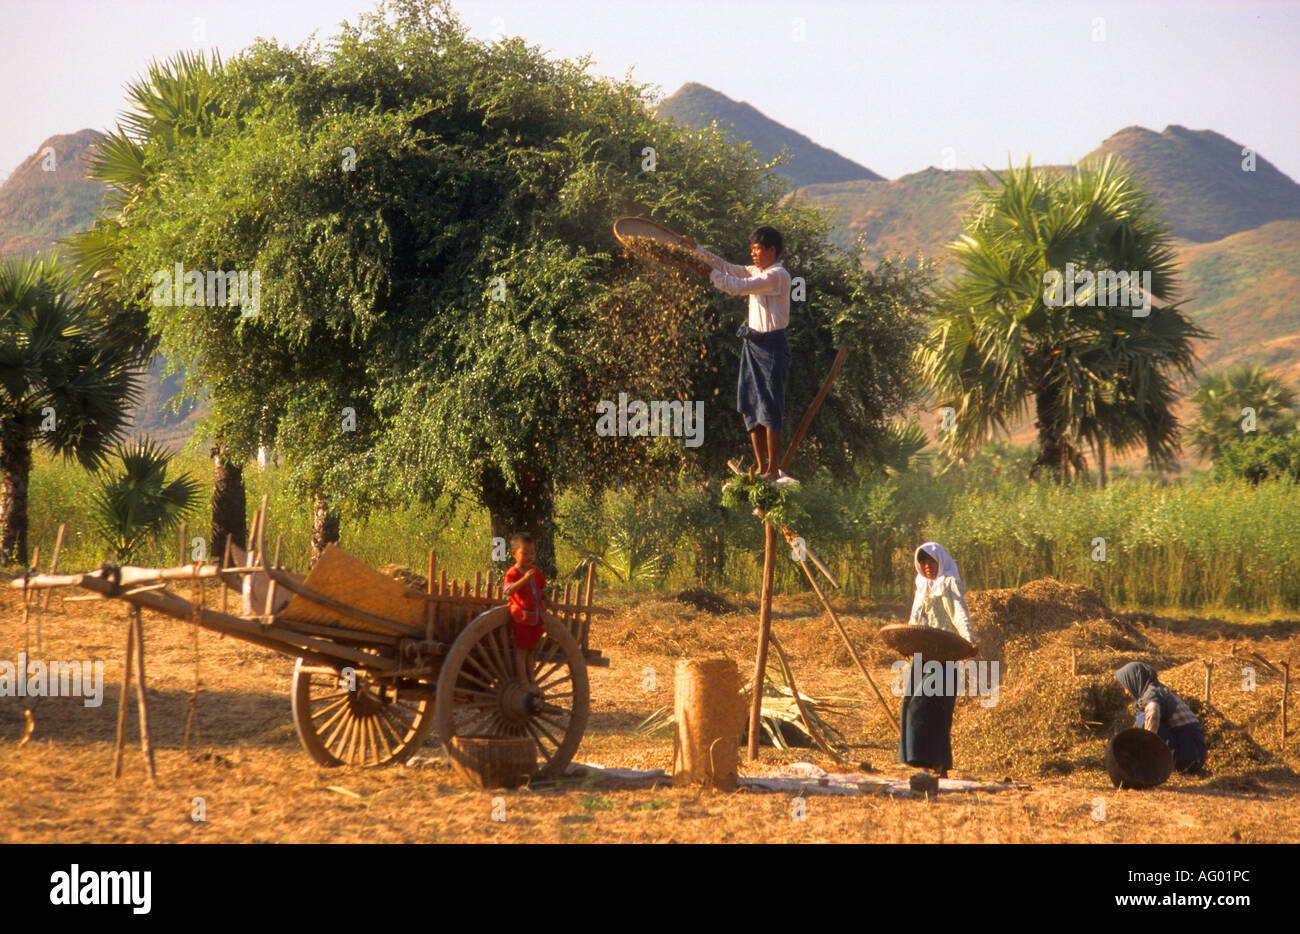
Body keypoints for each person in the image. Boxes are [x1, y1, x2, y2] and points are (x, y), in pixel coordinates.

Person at [681, 226, 797, 485]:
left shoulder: (778, 276)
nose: (752, 253)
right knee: (750, 405)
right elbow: (728, 268)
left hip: (772, 346)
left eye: (757, 249)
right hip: (752, 344)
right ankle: (760, 465)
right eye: (752, 249)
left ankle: (772, 469)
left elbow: (735, 286)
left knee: (769, 406)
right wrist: (696, 250)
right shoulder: (758, 271)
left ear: (771, 250)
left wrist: (708, 272)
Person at [899, 542, 978, 778]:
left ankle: (936, 761)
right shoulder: (921, 585)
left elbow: (959, 614)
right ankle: (922, 760)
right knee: (909, 701)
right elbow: (914, 618)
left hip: (943, 654)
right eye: (923, 562)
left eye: (931, 561)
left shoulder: (949, 583)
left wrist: (968, 641)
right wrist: (906, 643)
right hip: (922, 653)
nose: (927, 566)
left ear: (940, 561)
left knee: (927, 705)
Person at [1114, 661, 1208, 774]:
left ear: (1134, 681)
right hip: (1196, 752)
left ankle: (1168, 764)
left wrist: (1146, 746)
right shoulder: (1159, 690)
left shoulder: (1152, 695)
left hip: (1187, 754)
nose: (1125, 691)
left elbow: (1153, 713)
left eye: (1125, 686)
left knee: (1143, 717)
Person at [502, 532, 549, 697]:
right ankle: (523, 682)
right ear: (514, 554)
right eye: (525, 553)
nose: (529, 556)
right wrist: (524, 579)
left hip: (534, 618)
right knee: (522, 651)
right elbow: (508, 590)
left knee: (530, 651)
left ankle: (532, 681)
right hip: (521, 618)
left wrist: (548, 600)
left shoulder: (535, 571)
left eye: (532, 553)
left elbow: (543, 588)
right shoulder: (512, 573)